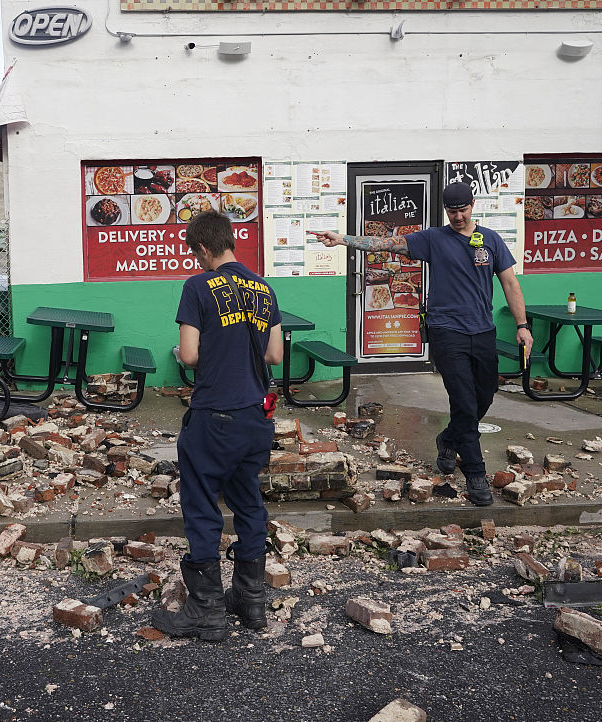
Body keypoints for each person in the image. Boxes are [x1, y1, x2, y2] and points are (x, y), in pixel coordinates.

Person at [309, 181, 533, 506]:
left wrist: (522, 325)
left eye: (463, 210)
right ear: (446, 210)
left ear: (473, 205)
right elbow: (385, 244)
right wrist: (343, 239)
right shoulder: (433, 239)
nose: (458, 217)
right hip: (446, 331)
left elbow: (510, 283)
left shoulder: (491, 241)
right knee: (465, 402)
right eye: (452, 211)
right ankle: (475, 473)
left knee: (484, 397)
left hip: (482, 331)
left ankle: (449, 437)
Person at [152, 211, 283, 641]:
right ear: (231, 241)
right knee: (248, 502)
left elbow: (188, 355)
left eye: (196, 253)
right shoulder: (264, 288)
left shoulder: (197, 286)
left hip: (214, 416)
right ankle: (251, 602)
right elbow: (275, 355)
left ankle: (207, 609)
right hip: (256, 418)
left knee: (203, 505)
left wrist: (212, 343)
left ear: (203, 249)